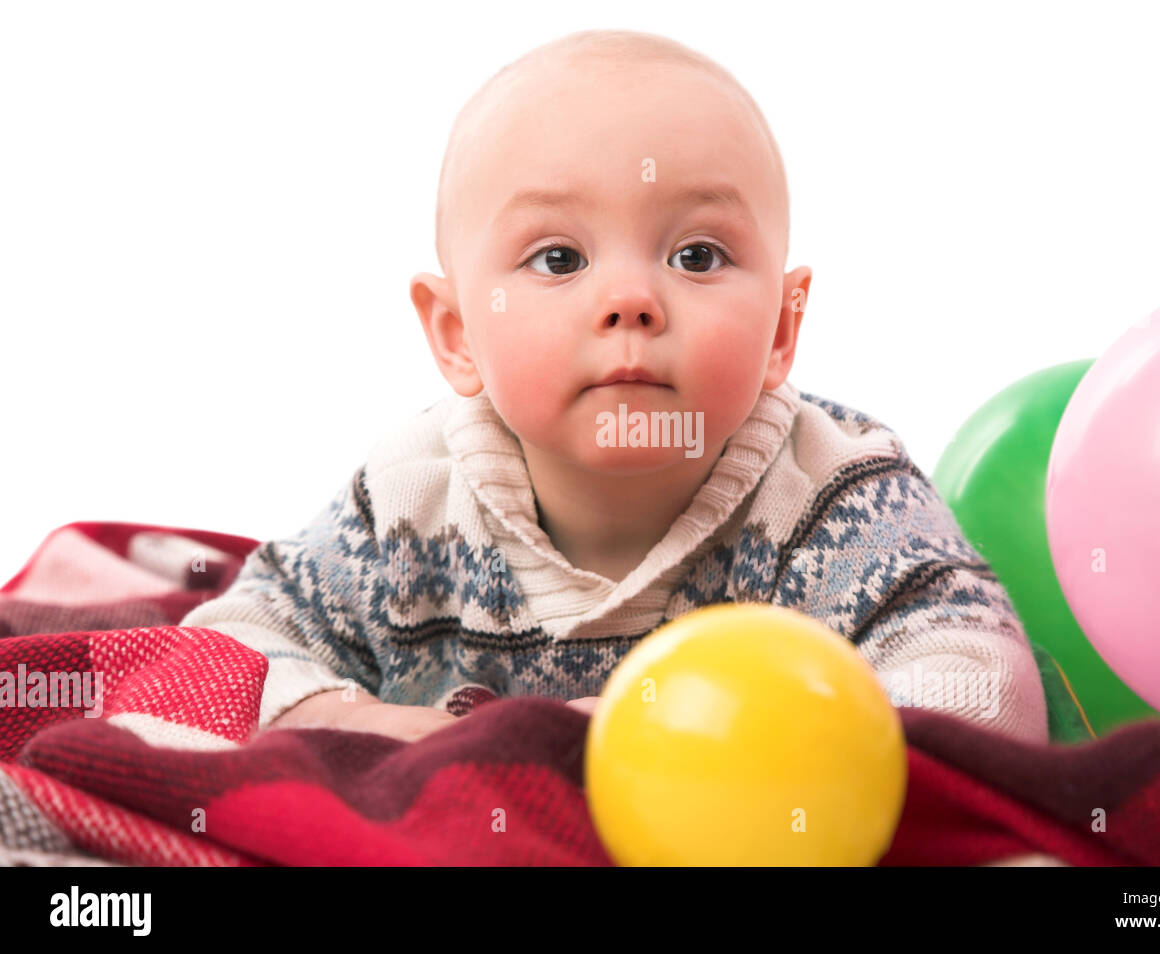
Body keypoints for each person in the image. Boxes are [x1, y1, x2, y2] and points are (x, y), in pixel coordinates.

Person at [180, 28, 1048, 745]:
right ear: (457, 335)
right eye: (558, 259)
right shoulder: (412, 499)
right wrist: (361, 721)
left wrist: (746, 738)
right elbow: (215, 657)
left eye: (697, 256)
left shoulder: (834, 493)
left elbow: (983, 685)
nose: (631, 300)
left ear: (782, 329)